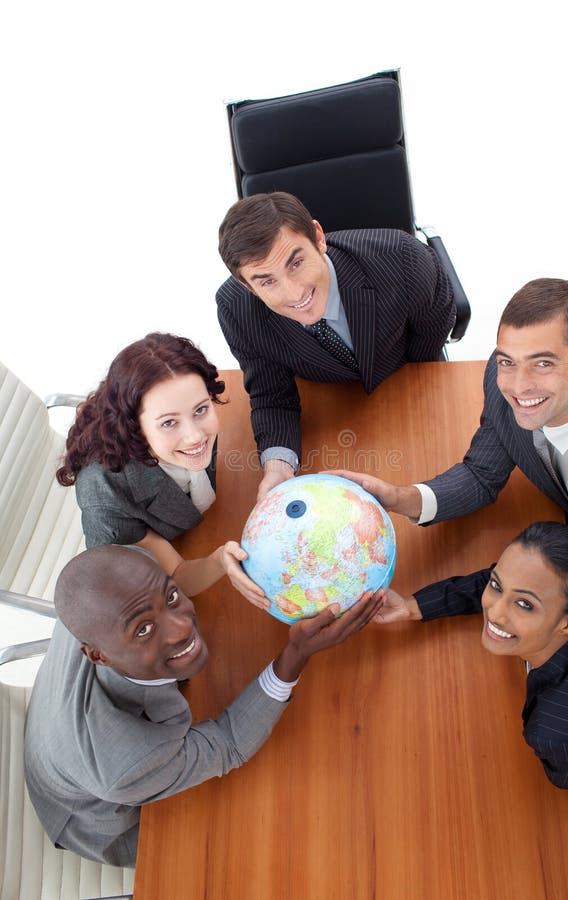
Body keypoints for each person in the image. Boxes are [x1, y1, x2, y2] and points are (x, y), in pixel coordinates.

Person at [24, 545, 383, 866]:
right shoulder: (127, 765)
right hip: (96, 820)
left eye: (172, 597)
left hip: (58, 730)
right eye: (144, 630)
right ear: (97, 656)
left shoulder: (121, 587)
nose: (181, 628)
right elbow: (227, 744)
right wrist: (297, 653)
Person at [216, 191, 456, 500]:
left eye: (296, 263)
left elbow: (433, 330)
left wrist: (407, 386)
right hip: (329, 404)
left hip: (408, 382)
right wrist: (279, 469)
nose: (293, 293)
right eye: (267, 281)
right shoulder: (236, 309)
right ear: (246, 285)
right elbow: (272, 395)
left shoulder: (403, 259)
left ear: (318, 237)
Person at [335, 278, 568, 540]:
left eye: (542, 364)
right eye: (508, 361)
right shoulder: (500, 386)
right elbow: (482, 475)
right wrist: (397, 497)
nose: (519, 387)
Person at [376, 521, 568, 792]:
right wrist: (413, 607)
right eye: (497, 586)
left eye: (524, 605)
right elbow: (512, 579)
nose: (494, 614)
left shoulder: (556, 735)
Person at [56, 332, 266, 607]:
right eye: (169, 423)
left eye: (201, 410)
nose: (194, 436)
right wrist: (219, 561)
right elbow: (175, 576)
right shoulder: (107, 502)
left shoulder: (183, 416)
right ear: (133, 427)